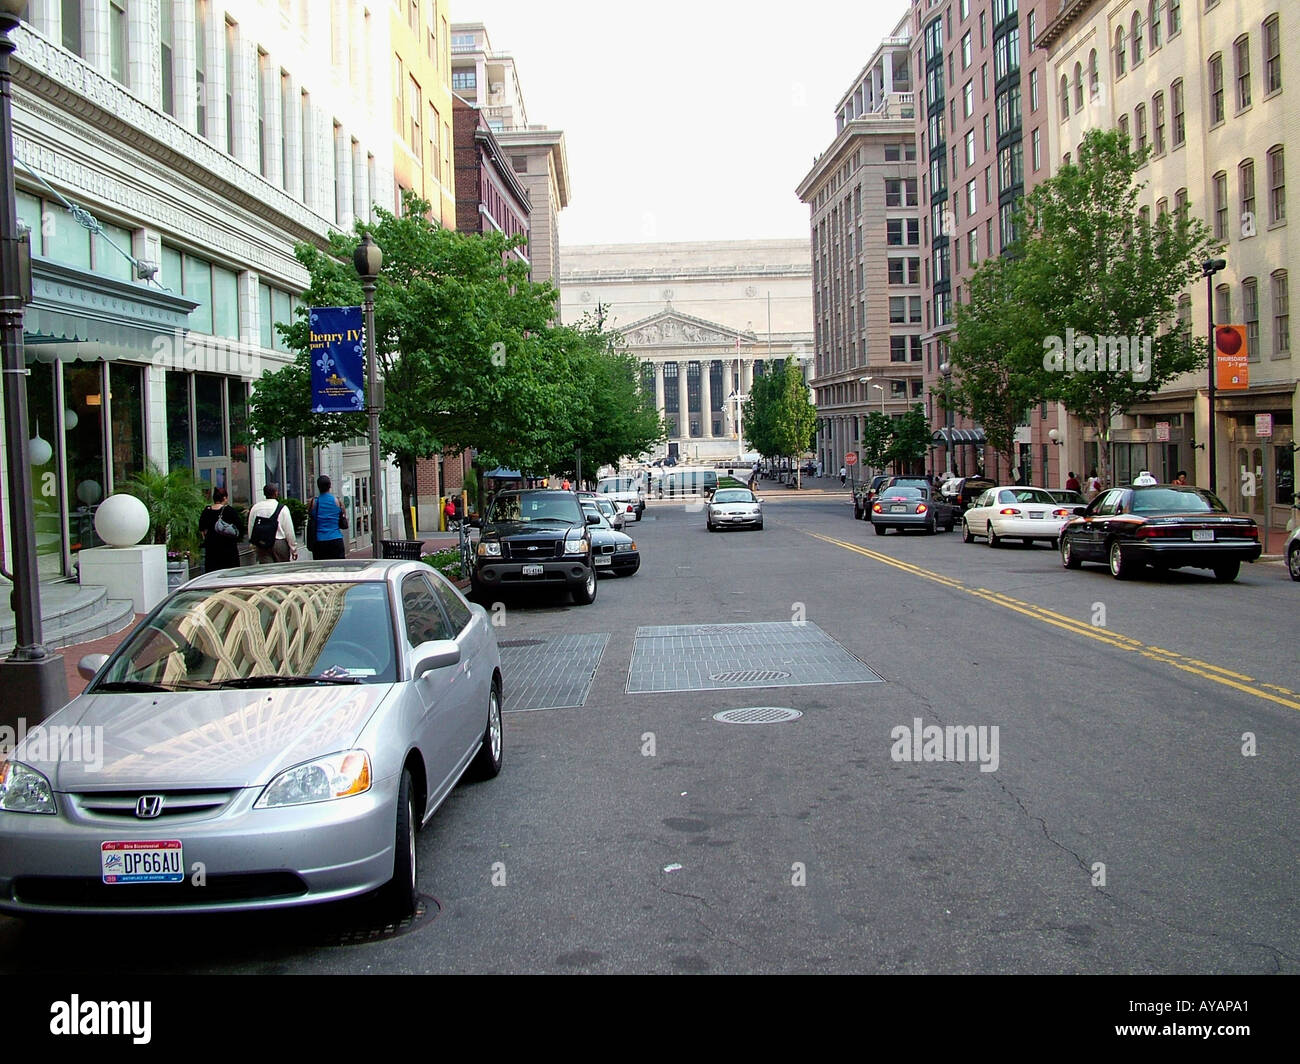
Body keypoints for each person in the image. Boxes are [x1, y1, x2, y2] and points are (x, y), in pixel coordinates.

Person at [247, 483, 297, 563]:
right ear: (276, 493)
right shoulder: (283, 508)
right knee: (282, 570)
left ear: (264, 493)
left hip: (262, 543)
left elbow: (251, 527)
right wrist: (293, 548)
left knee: (267, 572)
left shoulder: (255, 508)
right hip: (279, 543)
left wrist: (253, 544)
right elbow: (289, 531)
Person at [197, 486, 243, 573]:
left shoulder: (206, 511)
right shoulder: (230, 511)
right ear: (224, 498)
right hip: (229, 551)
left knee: (213, 575)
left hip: (212, 551)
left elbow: (202, 529)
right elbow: (239, 528)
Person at [308, 475, 347, 560]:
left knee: (322, 569)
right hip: (336, 539)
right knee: (338, 567)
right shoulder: (337, 501)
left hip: (319, 541)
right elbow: (343, 516)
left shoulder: (313, 502)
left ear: (318, 487)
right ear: (330, 486)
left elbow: (310, 515)